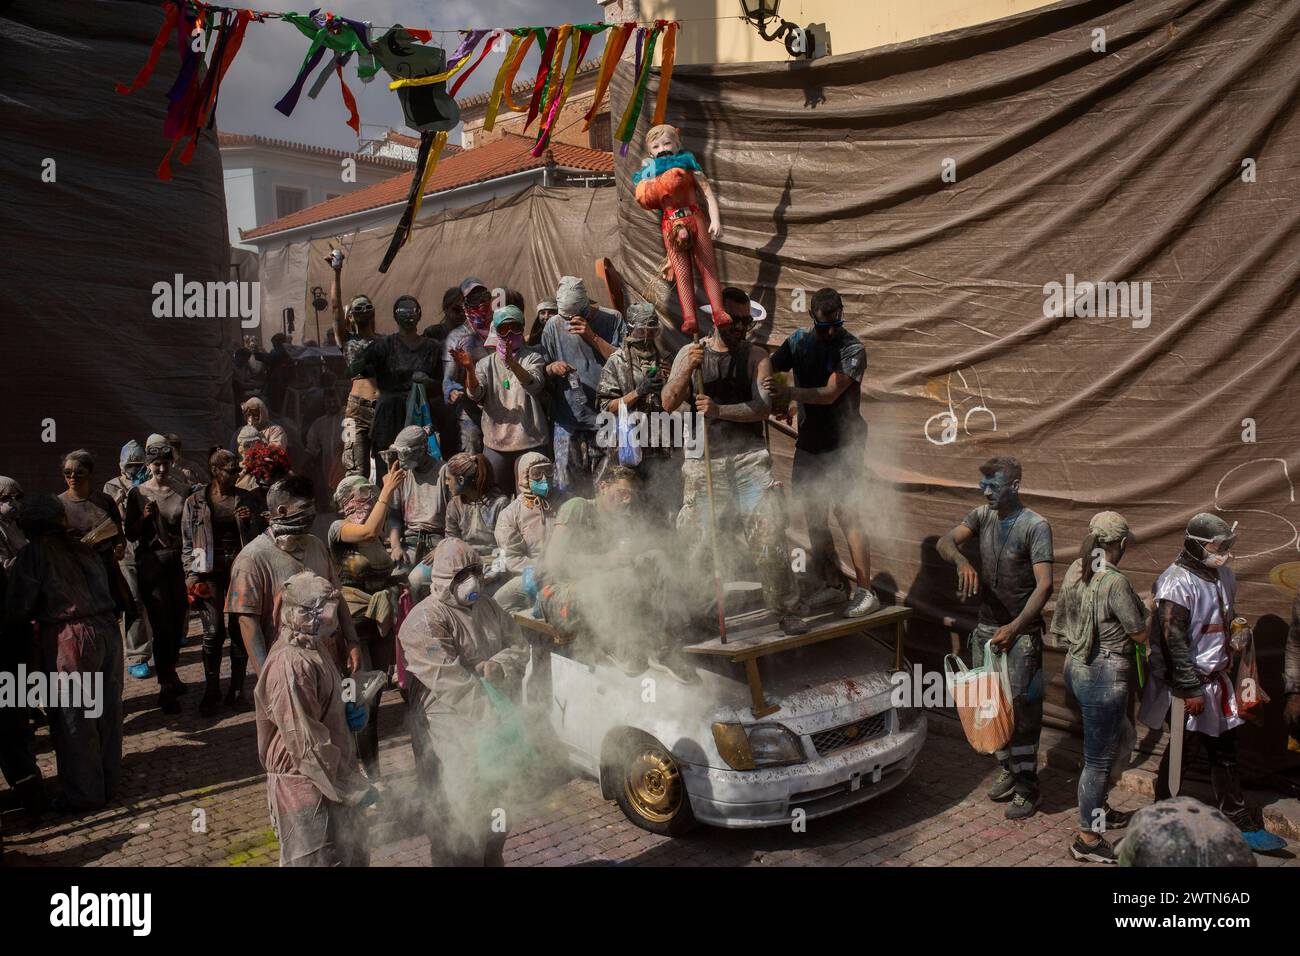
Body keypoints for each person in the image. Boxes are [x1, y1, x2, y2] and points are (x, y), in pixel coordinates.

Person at [661, 302, 808, 637]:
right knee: (699, 540)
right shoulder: (690, 351)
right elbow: (668, 402)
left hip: (748, 458)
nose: (743, 326)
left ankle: (785, 608)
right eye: (736, 320)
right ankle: (702, 613)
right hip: (703, 458)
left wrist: (718, 411)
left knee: (768, 532)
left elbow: (762, 408)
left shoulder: (757, 357)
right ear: (718, 319)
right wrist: (687, 369)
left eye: (747, 320)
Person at [1138, 513, 1284, 851]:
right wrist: (1189, 688)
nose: (1222, 552)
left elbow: (1225, 615)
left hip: (1216, 683)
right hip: (1189, 686)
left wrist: (1238, 629)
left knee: (1223, 751)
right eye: (1217, 546)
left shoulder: (1224, 576)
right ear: (1195, 544)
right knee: (1183, 752)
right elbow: (1171, 641)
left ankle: (1237, 819)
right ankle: (1160, 815)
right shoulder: (1176, 582)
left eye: (1225, 546)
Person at [398, 538, 529, 866]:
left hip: (492, 719)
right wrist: (492, 718)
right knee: (456, 815)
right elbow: (449, 682)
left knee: (496, 811)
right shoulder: (424, 621)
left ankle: (492, 858)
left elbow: (519, 645)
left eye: (475, 571)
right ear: (441, 580)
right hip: (446, 725)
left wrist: (499, 665)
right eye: (461, 575)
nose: (472, 581)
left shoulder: (488, 606)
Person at [936, 456, 1053, 819]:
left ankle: (1028, 787)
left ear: (1015, 485)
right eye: (982, 485)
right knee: (988, 705)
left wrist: (1015, 628)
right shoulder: (981, 516)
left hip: (1020, 636)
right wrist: (960, 560)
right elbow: (945, 541)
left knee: (1021, 711)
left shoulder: (1036, 526)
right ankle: (1007, 769)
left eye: (993, 486)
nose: (985, 491)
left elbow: (1045, 585)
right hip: (987, 630)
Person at [5, 495, 123, 811]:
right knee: (104, 713)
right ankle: (107, 782)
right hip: (106, 630)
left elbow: (17, 608)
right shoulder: (82, 547)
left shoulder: (34, 555)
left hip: (70, 637)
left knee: (76, 718)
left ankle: (84, 794)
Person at [766, 287, 879, 617]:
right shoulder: (798, 341)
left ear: (842, 313)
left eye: (837, 321)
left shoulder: (852, 348)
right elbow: (771, 366)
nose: (832, 329)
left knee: (847, 514)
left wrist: (790, 392)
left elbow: (831, 392)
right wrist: (779, 398)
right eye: (825, 323)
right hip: (811, 443)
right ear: (812, 316)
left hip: (844, 444)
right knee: (813, 515)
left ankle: (866, 590)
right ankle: (832, 584)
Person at [254, 570, 375, 866]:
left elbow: (322, 708)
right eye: (327, 613)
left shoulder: (313, 647)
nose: (333, 622)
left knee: (350, 856)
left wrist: (346, 712)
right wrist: (351, 785)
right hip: (305, 783)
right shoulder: (289, 665)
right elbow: (306, 744)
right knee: (317, 859)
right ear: (301, 614)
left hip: (329, 774)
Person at [1050, 511, 1148, 863]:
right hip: (1104, 674)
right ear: (1120, 544)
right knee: (1098, 760)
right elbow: (1137, 632)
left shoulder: (1079, 567)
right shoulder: (1115, 582)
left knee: (1121, 736)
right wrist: (1146, 607)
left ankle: (1099, 809)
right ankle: (1088, 837)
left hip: (1077, 666)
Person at [540, 466, 696, 681]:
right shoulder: (577, 507)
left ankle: (666, 643)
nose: (626, 501)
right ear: (603, 487)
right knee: (622, 578)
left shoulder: (620, 521)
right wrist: (607, 560)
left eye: (630, 495)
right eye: (621, 492)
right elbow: (553, 563)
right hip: (562, 595)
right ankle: (619, 644)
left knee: (655, 558)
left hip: (603, 587)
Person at [225, 475, 363, 676]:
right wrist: (266, 675)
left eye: (313, 505)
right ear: (282, 511)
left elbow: (337, 595)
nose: (312, 512)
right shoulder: (252, 558)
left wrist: (352, 642)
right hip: (286, 667)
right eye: (305, 506)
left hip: (329, 662)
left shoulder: (315, 545)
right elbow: (248, 622)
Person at [329, 466, 406, 777]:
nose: (370, 501)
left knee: (378, 695)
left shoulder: (377, 537)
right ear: (347, 501)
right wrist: (387, 490)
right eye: (363, 496)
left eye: (372, 496)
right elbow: (367, 531)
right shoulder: (340, 529)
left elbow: (379, 541)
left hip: (379, 620)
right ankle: (362, 771)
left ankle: (371, 769)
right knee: (363, 698)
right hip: (354, 622)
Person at [182, 448, 265, 716]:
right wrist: (191, 575)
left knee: (240, 628)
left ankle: (238, 689)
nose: (236, 474)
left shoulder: (247, 499)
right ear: (215, 471)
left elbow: (261, 537)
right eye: (230, 471)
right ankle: (212, 688)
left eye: (237, 470)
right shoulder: (196, 501)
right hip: (208, 571)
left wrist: (248, 523)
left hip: (240, 570)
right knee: (213, 631)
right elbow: (187, 542)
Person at [124, 437, 192, 714]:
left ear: (171, 463)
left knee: (177, 626)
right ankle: (166, 685)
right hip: (152, 567)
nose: (161, 469)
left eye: (165, 463)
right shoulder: (138, 494)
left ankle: (172, 673)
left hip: (178, 565)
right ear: (148, 466)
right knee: (162, 626)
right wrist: (145, 518)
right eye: (156, 465)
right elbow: (130, 533)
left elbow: (190, 533)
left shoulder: (183, 491)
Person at [540, 276, 625, 496]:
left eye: (574, 316)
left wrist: (592, 336)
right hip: (568, 417)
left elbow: (625, 362)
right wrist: (552, 368)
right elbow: (543, 368)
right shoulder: (553, 325)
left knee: (607, 483)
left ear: (586, 305)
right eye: (565, 317)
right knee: (566, 484)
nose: (569, 321)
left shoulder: (612, 320)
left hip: (605, 415)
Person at [597, 301, 677, 520]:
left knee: (660, 504)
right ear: (632, 328)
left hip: (660, 447)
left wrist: (673, 382)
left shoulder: (665, 359)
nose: (649, 334)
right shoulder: (618, 362)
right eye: (644, 328)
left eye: (653, 327)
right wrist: (639, 392)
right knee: (627, 505)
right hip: (628, 449)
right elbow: (607, 407)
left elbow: (678, 402)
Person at [461, 305, 550, 494]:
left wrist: (512, 364)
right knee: (496, 496)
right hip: (496, 443)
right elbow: (476, 394)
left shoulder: (533, 357)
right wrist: (469, 369)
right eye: (503, 328)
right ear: (496, 331)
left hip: (531, 441)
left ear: (523, 327)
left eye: (514, 327)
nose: (509, 333)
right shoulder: (485, 364)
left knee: (534, 497)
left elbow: (534, 385)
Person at [355, 294, 440, 479]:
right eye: (404, 311)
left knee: (422, 467)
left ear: (419, 314)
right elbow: (355, 368)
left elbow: (442, 386)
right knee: (388, 470)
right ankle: (389, 506)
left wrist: (427, 383)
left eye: (412, 310)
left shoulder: (433, 347)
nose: (409, 315)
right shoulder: (383, 345)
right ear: (395, 315)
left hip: (420, 412)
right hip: (389, 416)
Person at [0, 477, 45, 816]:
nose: (12, 504)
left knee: (16, 718)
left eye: (17, 497)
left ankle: (29, 788)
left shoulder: (17, 528)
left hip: (16, 632)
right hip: (7, 631)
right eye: (5, 498)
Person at [103, 441, 154, 679]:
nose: (135, 469)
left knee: (155, 600)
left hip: (152, 547)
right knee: (134, 602)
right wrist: (130, 493)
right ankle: (137, 655)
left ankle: (162, 647)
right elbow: (115, 517)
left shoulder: (150, 481)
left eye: (138, 464)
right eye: (130, 465)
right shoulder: (112, 486)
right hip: (128, 549)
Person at [328, 250, 381, 479]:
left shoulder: (385, 341)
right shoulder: (347, 341)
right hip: (354, 411)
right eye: (356, 308)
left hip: (383, 408)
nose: (361, 310)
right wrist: (337, 273)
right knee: (355, 469)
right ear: (351, 317)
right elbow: (335, 308)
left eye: (365, 306)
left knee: (387, 468)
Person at [385, 425, 452, 600]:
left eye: (405, 454)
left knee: (416, 581)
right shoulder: (403, 475)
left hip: (438, 543)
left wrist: (443, 548)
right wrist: (395, 546)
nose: (401, 460)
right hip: (411, 542)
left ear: (422, 450)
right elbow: (394, 516)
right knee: (393, 583)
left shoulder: (444, 472)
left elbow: (456, 520)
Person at [492, 452, 559, 614]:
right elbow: (512, 557)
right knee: (499, 603)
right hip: (531, 573)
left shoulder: (565, 501)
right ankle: (525, 635)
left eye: (548, 472)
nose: (544, 479)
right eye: (536, 474)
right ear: (524, 477)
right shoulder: (510, 514)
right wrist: (542, 570)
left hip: (566, 568)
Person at [442, 277, 494, 456]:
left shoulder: (500, 328)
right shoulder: (457, 338)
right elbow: (447, 379)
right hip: (471, 412)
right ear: (464, 304)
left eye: (484, 296)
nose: (480, 303)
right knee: (472, 461)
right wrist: (451, 391)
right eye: (473, 299)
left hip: (502, 406)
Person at [443, 452, 509, 564]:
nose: (446, 483)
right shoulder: (454, 505)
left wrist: (493, 570)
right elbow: (451, 540)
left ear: (461, 480)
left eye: (449, 479)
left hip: (493, 561)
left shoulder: (499, 504)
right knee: (418, 578)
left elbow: (506, 546)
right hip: (464, 560)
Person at [304, 386, 346, 506]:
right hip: (328, 469)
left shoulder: (349, 418)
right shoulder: (319, 423)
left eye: (334, 401)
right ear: (324, 403)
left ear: (340, 400)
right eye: (329, 402)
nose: (332, 404)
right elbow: (311, 447)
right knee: (334, 501)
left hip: (346, 467)